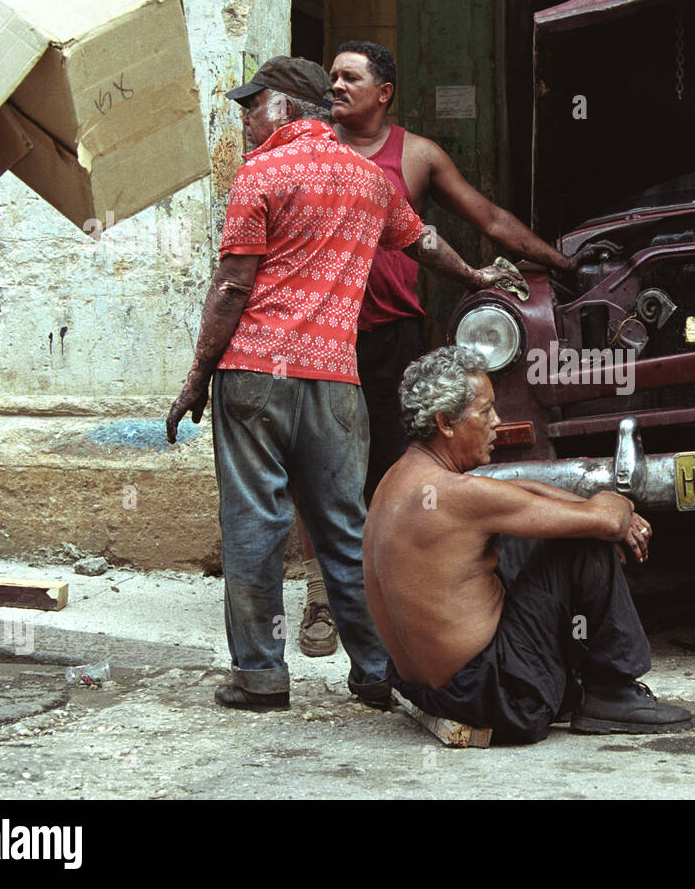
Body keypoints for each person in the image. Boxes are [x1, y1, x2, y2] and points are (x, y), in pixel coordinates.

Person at [164, 57, 511, 712]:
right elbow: (425, 241)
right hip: (335, 380)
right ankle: (377, 671)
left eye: (254, 104)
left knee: (254, 526)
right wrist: (473, 276)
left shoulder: (260, 174)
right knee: (347, 531)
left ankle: (261, 676)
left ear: (292, 107)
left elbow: (233, 284)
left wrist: (196, 377)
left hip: (256, 375)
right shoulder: (370, 182)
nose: (244, 118)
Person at [294, 40, 568, 658]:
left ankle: (394, 585)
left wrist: (561, 262)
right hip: (319, 336)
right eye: (331, 77)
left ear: (384, 92)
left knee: (398, 464)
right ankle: (321, 596)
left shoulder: (416, 156)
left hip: (392, 336)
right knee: (319, 465)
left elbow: (489, 219)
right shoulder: (310, 149)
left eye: (349, 78)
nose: (335, 86)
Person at [362, 346, 690, 742]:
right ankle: (611, 691)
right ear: (446, 423)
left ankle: (590, 682)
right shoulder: (459, 496)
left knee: (527, 532)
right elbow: (605, 522)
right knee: (583, 543)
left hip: (430, 691)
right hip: (499, 700)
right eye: (485, 412)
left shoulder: (396, 484)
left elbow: (516, 490)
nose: (497, 422)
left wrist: (593, 509)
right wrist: (619, 505)